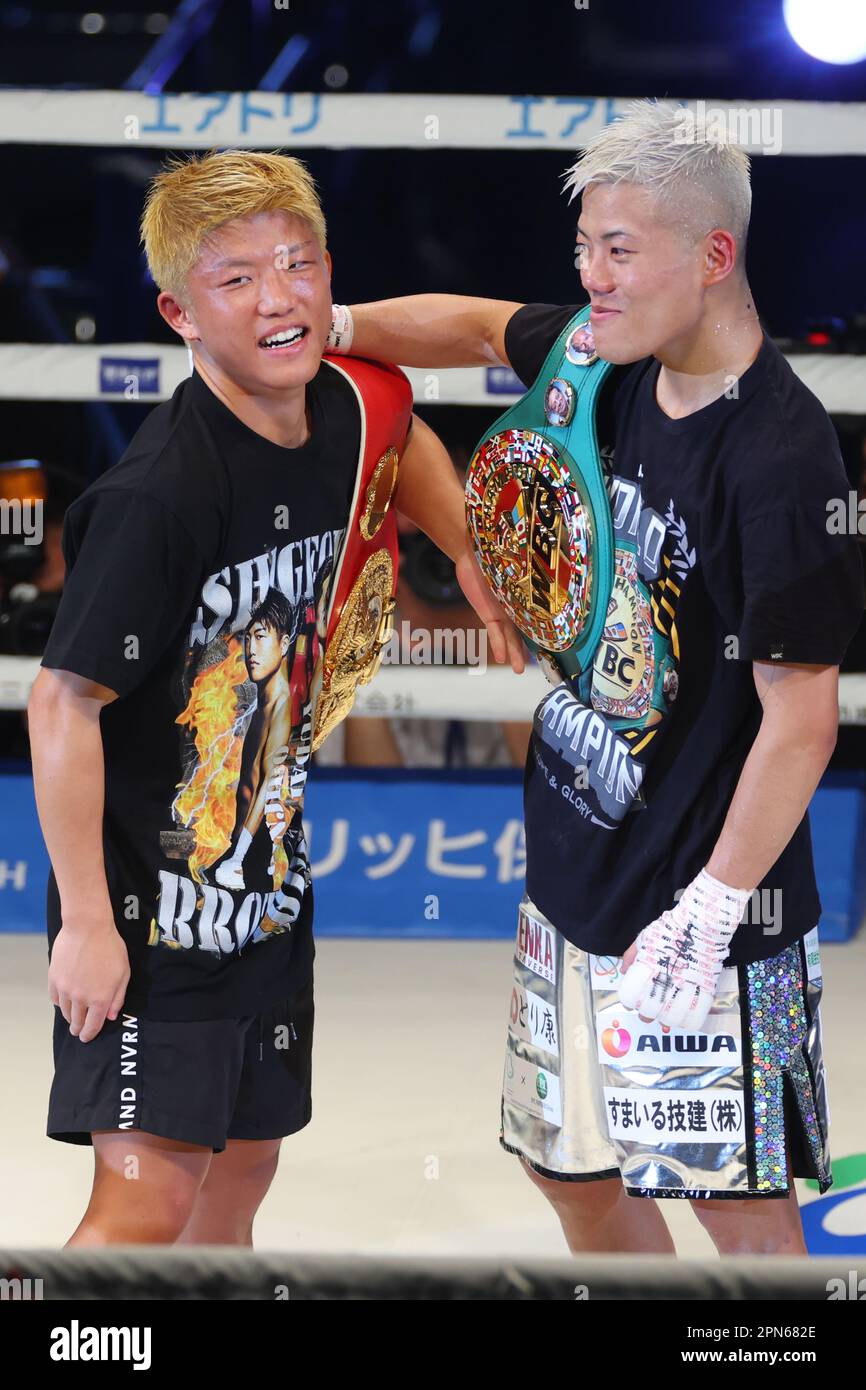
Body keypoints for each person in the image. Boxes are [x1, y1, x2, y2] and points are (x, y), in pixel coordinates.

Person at [333, 100, 865, 1255]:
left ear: (711, 255)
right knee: (569, 1173)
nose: (591, 278)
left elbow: (802, 719)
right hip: (572, 868)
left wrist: (713, 908)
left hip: (714, 909)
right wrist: (322, 323)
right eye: (584, 248)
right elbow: (472, 327)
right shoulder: (600, 360)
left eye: (617, 250)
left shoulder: (780, 458)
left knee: (743, 1208)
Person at [27, 148, 522, 1248]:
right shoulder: (157, 498)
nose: (278, 296)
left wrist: (464, 544)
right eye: (237, 279)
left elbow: (401, 429)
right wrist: (87, 926)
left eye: (297, 264)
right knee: (145, 1203)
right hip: (149, 916)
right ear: (180, 314)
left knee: (239, 1177)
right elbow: (60, 704)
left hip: (266, 893)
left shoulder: (342, 400)